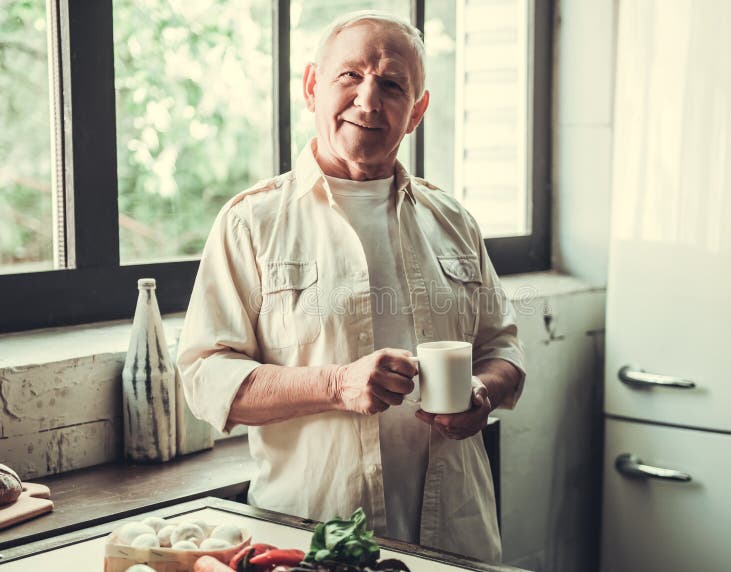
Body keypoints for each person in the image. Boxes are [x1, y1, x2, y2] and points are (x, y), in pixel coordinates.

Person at [177, 10, 525, 562]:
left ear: (417, 111)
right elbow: (205, 378)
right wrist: (336, 383)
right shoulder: (252, 222)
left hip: (455, 539)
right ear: (313, 85)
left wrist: (481, 392)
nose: (368, 100)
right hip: (313, 539)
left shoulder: (453, 220)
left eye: (392, 85)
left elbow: (503, 348)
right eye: (350, 76)